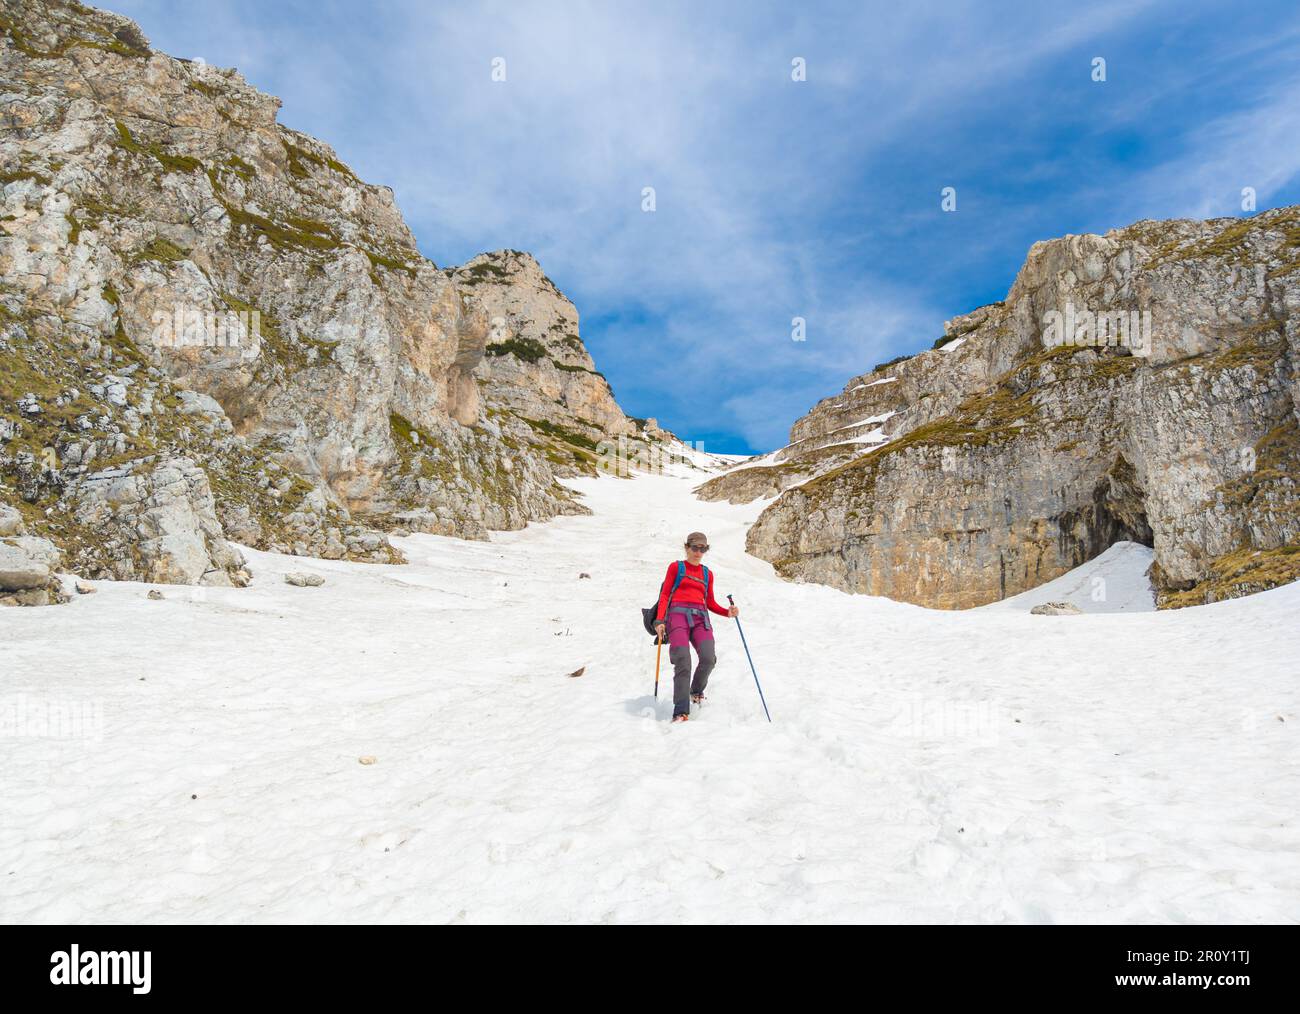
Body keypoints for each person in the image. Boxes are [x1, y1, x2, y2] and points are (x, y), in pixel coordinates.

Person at [654, 532, 738, 722]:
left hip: (701, 617)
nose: (699, 552)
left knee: (709, 658)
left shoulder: (707, 574)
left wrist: (728, 612)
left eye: (703, 549)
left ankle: (696, 690)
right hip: (677, 616)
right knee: (683, 659)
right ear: (687, 548)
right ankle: (681, 711)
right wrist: (659, 621)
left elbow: (710, 602)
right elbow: (665, 595)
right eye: (695, 548)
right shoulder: (676, 567)